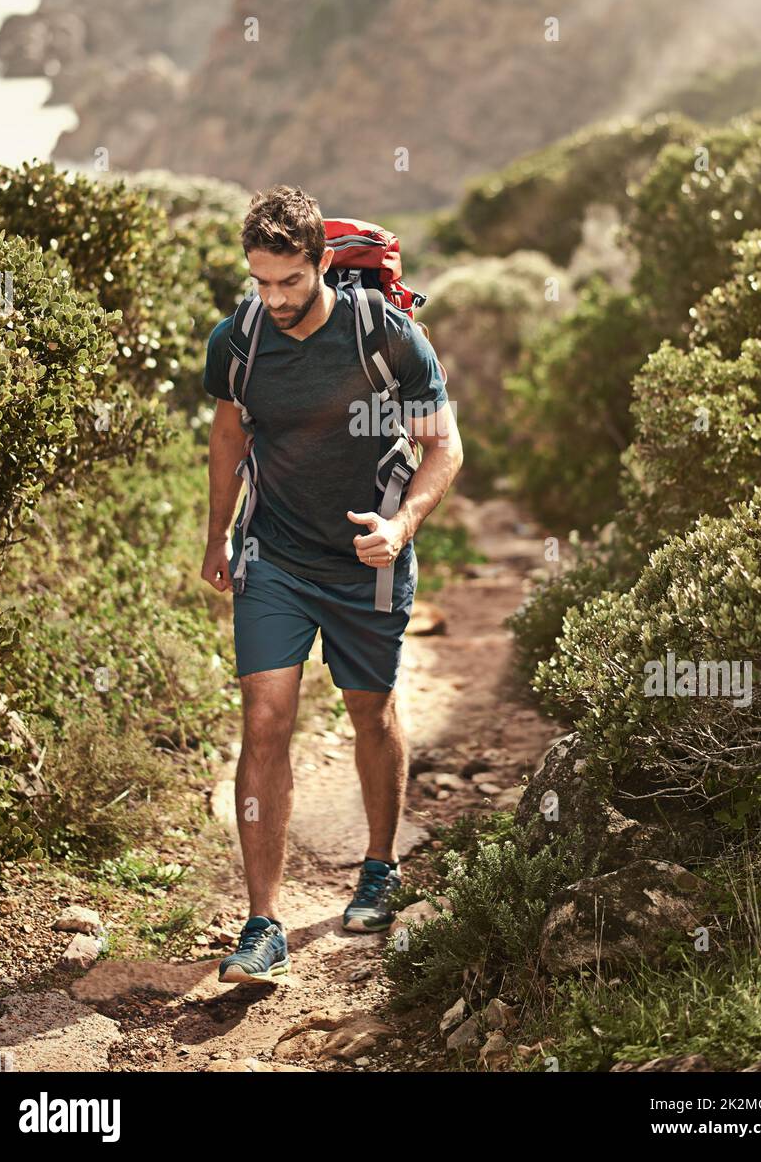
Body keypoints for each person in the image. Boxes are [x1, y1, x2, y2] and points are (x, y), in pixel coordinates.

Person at [200, 185, 463, 983]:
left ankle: (378, 866)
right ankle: (262, 922)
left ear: (321, 265)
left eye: (288, 281)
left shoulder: (385, 335)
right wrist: (216, 533)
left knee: (369, 711)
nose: (273, 298)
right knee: (266, 720)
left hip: (364, 560)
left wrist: (400, 528)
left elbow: (443, 449)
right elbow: (227, 433)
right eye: (259, 281)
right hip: (274, 555)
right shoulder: (239, 339)